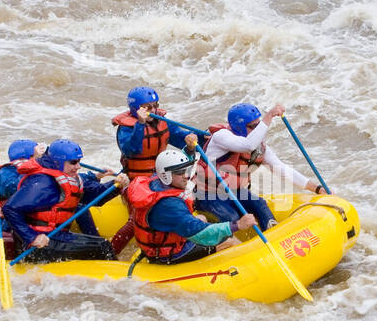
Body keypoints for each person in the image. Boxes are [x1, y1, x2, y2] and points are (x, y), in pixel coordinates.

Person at [195, 102, 325, 230]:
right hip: (207, 195)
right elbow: (247, 145)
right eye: (254, 126)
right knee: (232, 216)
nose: (259, 129)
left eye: (259, 124)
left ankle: (272, 235)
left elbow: (282, 169)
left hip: (234, 192)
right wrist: (269, 116)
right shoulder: (221, 136)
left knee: (260, 204)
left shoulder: (260, 148)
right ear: (239, 127)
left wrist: (317, 188)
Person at [2, 139, 129, 262]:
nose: (78, 166)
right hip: (37, 246)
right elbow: (9, 209)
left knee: (101, 244)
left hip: (55, 236)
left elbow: (95, 198)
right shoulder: (43, 183)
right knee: (103, 246)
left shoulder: (66, 177)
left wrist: (115, 185)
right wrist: (32, 238)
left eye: (79, 161)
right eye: (73, 162)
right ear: (58, 162)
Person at [126, 148, 256, 264]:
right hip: (170, 254)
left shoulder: (155, 180)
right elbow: (200, 232)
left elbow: (172, 163)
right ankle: (251, 262)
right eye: (180, 172)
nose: (187, 176)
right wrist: (237, 225)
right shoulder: (168, 205)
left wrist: (188, 150)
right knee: (229, 239)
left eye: (187, 170)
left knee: (202, 218)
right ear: (166, 175)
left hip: (160, 243)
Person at [112, 87, 198, 178]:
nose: (153, 110)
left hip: (160, 174)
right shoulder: (126, 128)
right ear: (135, 108)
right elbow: (133, 150)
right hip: (136, 177)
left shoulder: (161, 121)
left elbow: (180, 137)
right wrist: (140, 124)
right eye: (147, 107)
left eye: (155, 105)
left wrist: (197, 137)